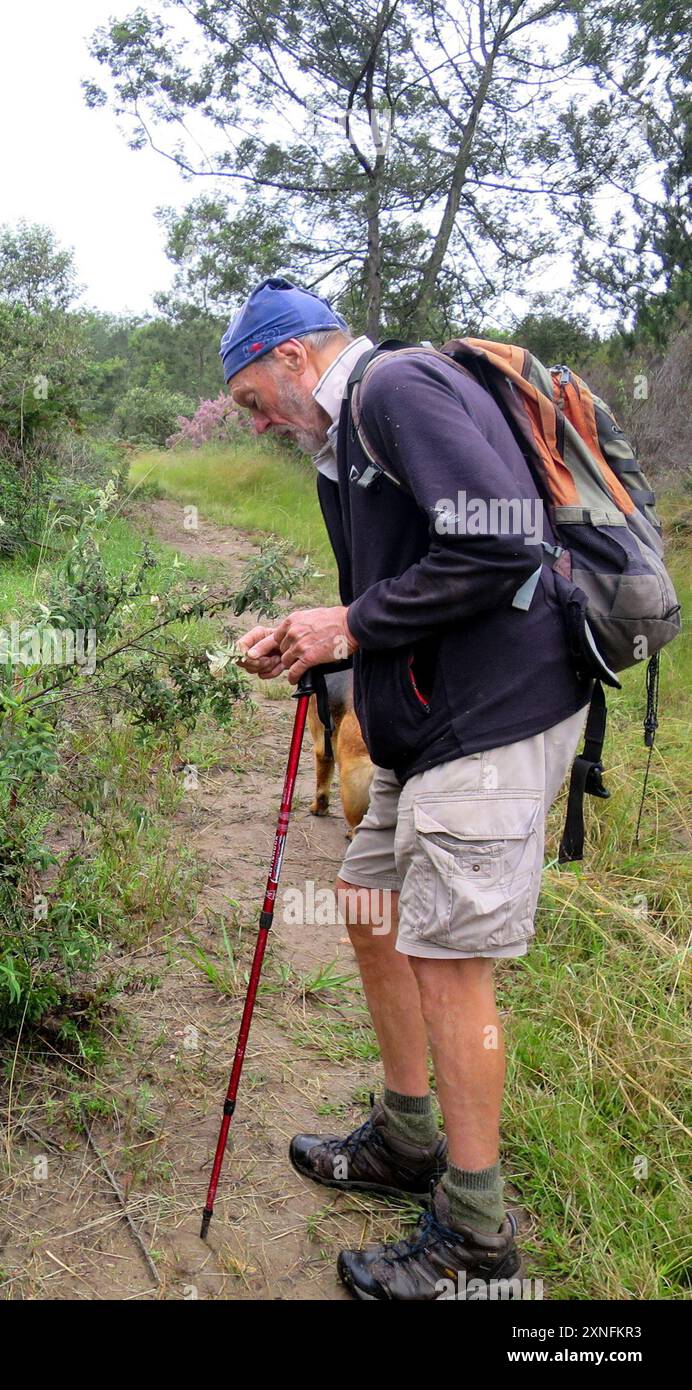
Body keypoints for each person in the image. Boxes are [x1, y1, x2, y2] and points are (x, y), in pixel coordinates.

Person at [222, 278, 591, 1300]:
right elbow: (405, 578)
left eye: (253, 399)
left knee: (450, 962)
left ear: (292, 357)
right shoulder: (345, 437)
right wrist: (317, 633)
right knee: (369, 903)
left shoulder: (396, 389)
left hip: (494, 717)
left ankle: (479, 1244)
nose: (256, 422)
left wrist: (347, 626)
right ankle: (406, 1135)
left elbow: (503, 538)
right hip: (423, 718)